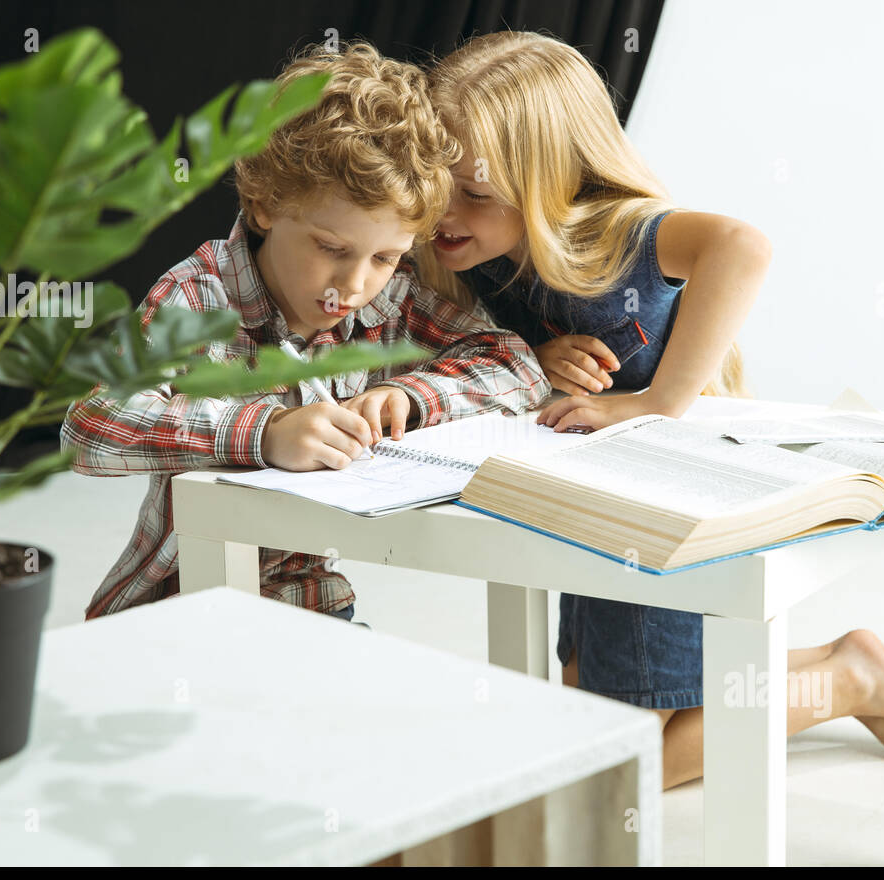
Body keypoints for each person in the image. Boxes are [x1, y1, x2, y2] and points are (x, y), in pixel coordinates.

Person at [417, 31, 884, 789]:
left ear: (551, 177)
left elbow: (742, 245)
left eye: (477, 193)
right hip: (589, 510)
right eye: (437, 186)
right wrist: (539, 363)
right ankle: (841, 668)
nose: (445, 215)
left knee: (609, 771)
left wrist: (658, 401)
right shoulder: (486, 258)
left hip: (665, 508)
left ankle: (851, 680)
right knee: (596, 696)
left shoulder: (619, 233)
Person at [61, 41, 548, 624]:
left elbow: (514, 364)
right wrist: (262, 434)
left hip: (313, 606)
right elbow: (89, 427)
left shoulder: (392, 297)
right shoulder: (199, 296)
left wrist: (413, 396)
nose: (354, 283)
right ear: (264, 204)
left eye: (385, 257)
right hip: (178, 612)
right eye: (331, 248)